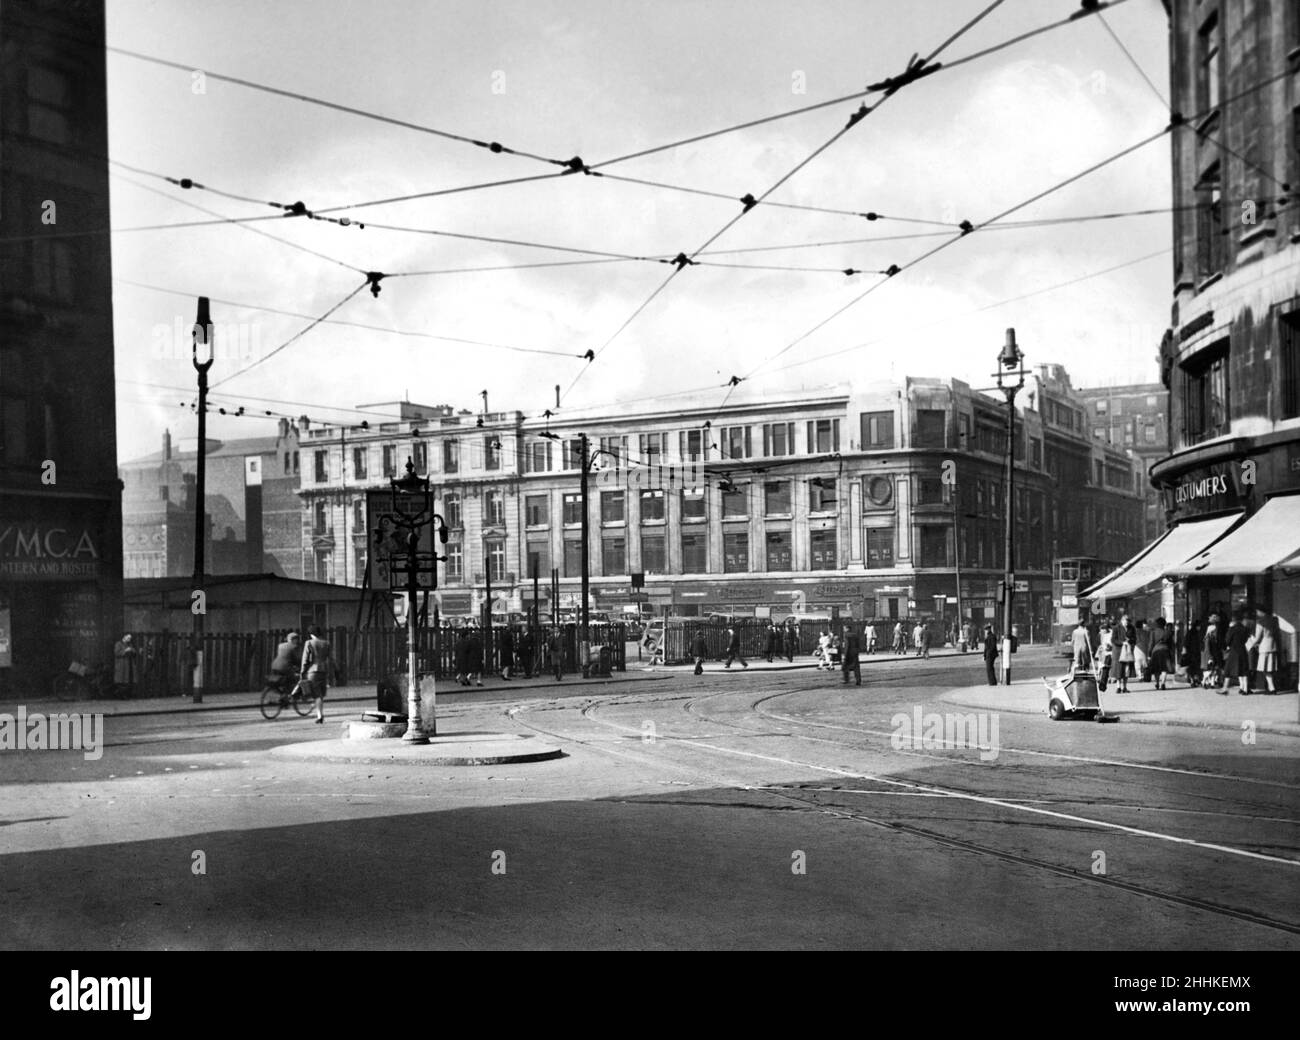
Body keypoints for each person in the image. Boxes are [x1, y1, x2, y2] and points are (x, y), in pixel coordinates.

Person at [299, 625, 336, 723]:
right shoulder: (326, 643)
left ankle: (320, 716)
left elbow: (305, 659)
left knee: (317, 695)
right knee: (320, 694)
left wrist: (302, 672)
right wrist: (335, 670)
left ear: (311, 634)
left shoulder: (309, 643)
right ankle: (320, 713)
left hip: (313, 671)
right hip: (323, 671)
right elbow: (331, 659)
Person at [1222, 610, 1251, 696]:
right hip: (1243, 650)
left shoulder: (1232, 629)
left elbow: (1227, 641)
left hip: (1234, 651)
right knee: (1244, 669)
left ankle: (1225, 688)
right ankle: (1245, 689)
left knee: (1228, 670)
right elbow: (1246, 639)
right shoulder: (1245, 629)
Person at [1250, 609, 1279, 694]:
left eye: (1257, 612)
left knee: (1265, 668)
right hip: (1273, 645)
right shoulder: (1274, 620)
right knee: (1270, 668)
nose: (1256, 613)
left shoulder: (1260, 622)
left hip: (1264, 646)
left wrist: (1251, 643)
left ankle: (1272, 688)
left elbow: (1258, 637)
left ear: (1261, 611)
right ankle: (1271, 687)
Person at [1148, 617, 1173, 690]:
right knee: (1164, 668)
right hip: (1165, 650)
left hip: (1156, 651)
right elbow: (1171, 644)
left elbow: (1151, 644)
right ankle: (1163, 683)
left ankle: (1157, 683)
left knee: (1156, 668)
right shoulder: (1167, 632)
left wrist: (1149, 654)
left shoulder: (1153, 632)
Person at [1113, 614, 1136, 694]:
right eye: (1126, 622)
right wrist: (1122, 643)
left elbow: (1135, 639)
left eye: (1128, 622)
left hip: (1128, 652)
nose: (1127, 624)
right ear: (1122, 621)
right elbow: (1113, 640)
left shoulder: (1132, 628)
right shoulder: (1116, 628)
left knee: (1127, 670)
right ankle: (1118, 687)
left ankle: (1125, 687)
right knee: (1119, 670)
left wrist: (1129, 640)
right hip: (1119, 652)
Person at [1203, 614, 1225, 691]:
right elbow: (1208, 649)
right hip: (1211, 655)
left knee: (1214, 670)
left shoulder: (1211, 638)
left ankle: (1211, 683)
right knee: (1210, 670)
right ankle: (1204, 681)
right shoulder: (1209, 639)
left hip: (1213, 655)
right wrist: (1210, 657)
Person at [113, 633, 139, 698]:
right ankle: (121, 695)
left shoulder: (129, 644)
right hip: (121, 665)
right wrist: (125, 651)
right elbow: (116, 653)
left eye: (130, 638)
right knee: (121, 681)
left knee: (127, 680)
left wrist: (131, 650)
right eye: (128, 638)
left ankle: (126, 695)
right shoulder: (118, 644)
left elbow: (134, 651)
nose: (129, 639)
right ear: (124, 637)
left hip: (128, 665)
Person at [1183, 618, 1203, 687]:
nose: (1200, 627)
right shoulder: (1196, 633)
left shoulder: (1190, 632)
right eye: (1199, 626)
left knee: (1192, 667)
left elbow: (1185, 643)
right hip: (1194, 653)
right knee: (1195, 667)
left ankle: (1193, 680)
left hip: (1191, 653)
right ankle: (1194, 680)